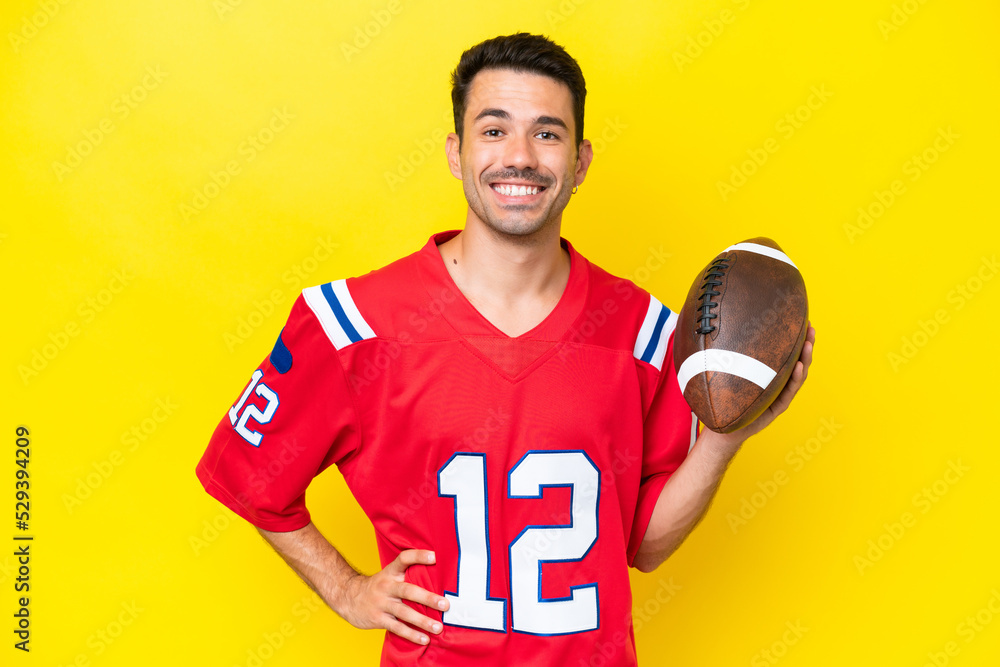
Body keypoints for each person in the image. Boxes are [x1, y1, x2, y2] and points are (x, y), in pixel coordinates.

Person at [196, 32, 815, 666]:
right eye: (493, 131)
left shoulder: (644, 334)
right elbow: (248, 475)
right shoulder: (354, 324)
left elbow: (644, 546)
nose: (519, 156)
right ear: (455, 152)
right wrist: (347, 589)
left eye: (548, 133)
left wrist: (722, 440)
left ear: (580, 162)